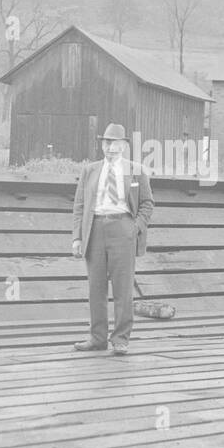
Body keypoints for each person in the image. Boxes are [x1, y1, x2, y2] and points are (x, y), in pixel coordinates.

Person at [71, 123, 154, 355]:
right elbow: (79, 206)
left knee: (123, 287)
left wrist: (135, 227)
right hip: (95, 228)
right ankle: (97, 338)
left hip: (123, 228)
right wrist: (77, 238)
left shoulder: (136, 170)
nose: (111, 148)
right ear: (102, 145)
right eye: (107, 143)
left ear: (125, 146)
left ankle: (120, 339)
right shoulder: (90, 170)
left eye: (116, 143)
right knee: (95, 287)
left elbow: (148, 203)